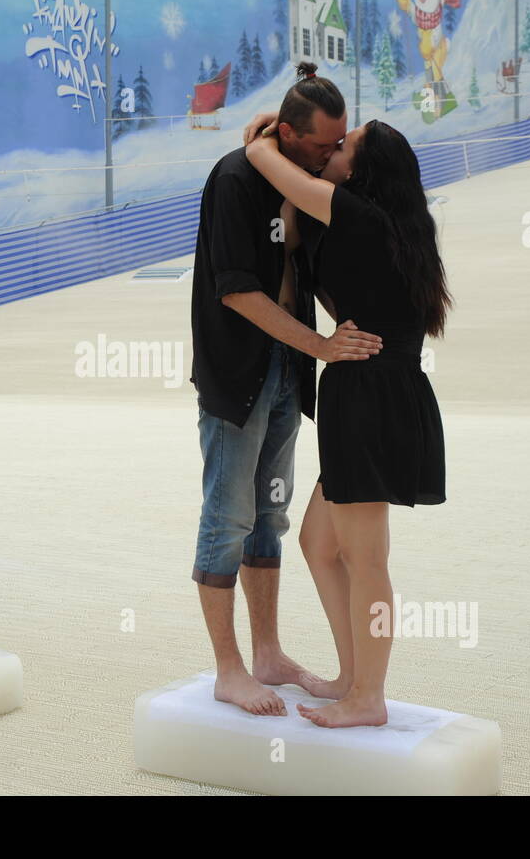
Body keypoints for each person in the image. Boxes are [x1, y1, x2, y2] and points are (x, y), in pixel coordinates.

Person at [244, 85, 452, 728]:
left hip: (371, 398)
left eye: (345, 146)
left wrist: (261, 134)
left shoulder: (357, 215)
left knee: (366, 559)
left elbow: (265, 161)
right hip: (368, 393)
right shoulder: (375, 222)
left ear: (357, 172)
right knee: (316, 542)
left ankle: (371, 697)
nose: (333, 150)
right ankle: (354, 676)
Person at [190, 63, 385, 716]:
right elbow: (238, 291)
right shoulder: (235, 179)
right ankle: (228, 666)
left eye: (341, 143)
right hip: (239, 371)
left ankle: (268, 651)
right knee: (228, 518)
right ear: (291, 134)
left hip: (285, 372)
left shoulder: (302, 183)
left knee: (269, 515)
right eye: (326, 144)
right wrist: (323, 346)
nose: (335, 152)